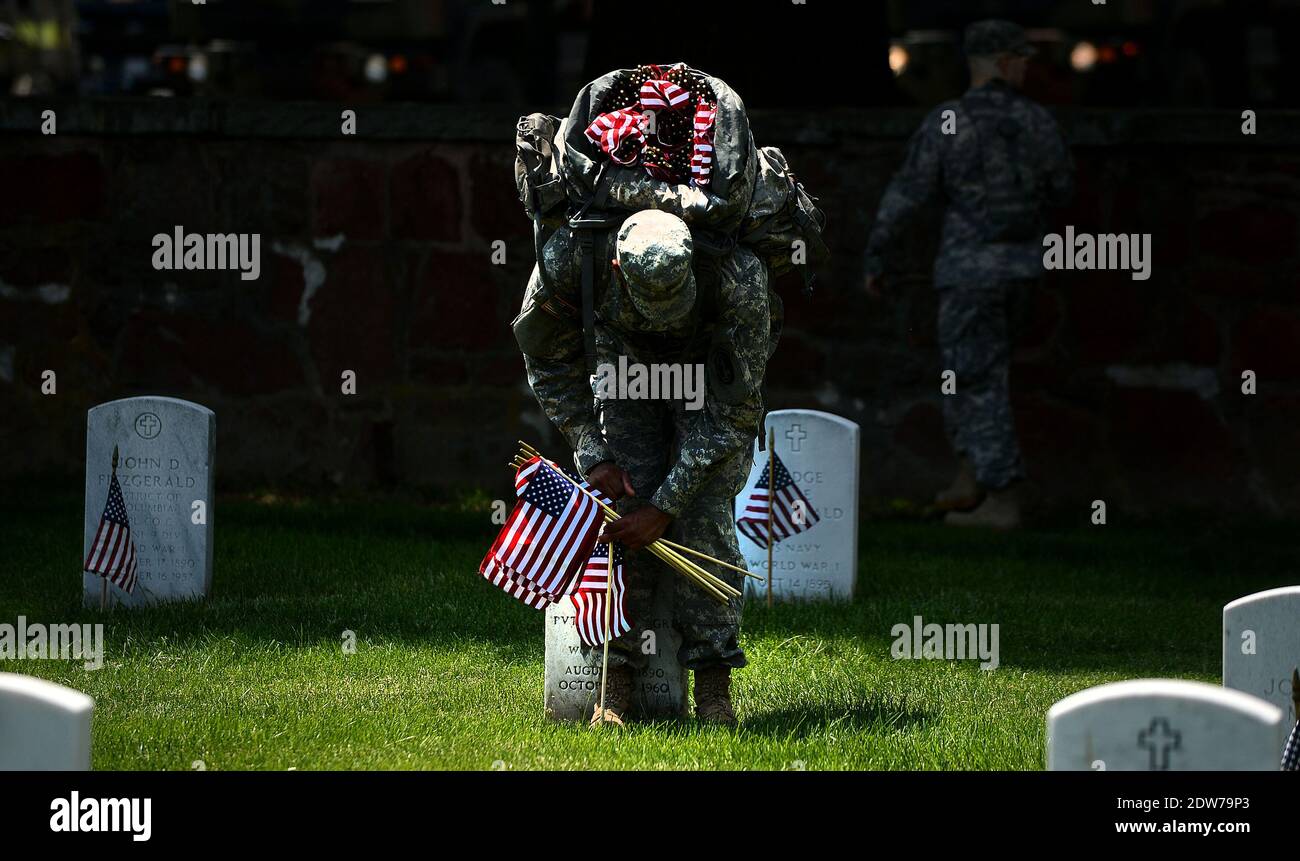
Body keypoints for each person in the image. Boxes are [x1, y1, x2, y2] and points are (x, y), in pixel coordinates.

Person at [513, 208, 771, 725]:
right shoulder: (570, 260)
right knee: (621, 515)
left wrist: (667, 505)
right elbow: (547, 362)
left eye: (672, 302)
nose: (663, 321)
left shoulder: (739, 278)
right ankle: (614, 686)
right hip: (622, 365)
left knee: (705, 515)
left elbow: (735, 413)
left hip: (708, 374)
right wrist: (592, 450)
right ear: (615, 266)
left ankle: (714, 688)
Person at [862, 19, 1074, 529]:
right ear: (1002, 62)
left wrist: (878, 256)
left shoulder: (949, 121)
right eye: (1021, 59)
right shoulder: (1037, 121)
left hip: (968, 271)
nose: (1027, 68)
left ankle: (1000, 495)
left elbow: (908, 194)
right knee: (974, 373)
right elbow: (1063, 189)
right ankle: (972, 478)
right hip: (1022, 269)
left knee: (975, 378)